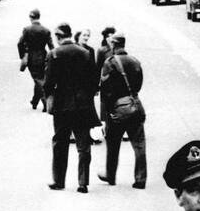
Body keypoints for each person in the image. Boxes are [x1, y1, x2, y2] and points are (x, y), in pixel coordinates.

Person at [43, 22, 98, 192]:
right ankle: (83, 182)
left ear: (59, 37)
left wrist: (50, 97)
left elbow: (48, 83)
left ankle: (59, 181)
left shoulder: (54, 54)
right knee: (83, 145)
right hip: (83, 105)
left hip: (62, 105)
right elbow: (94, 80)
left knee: (60, 143)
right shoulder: (85, 53)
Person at [97, 34, 147, 188]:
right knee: (139, 144)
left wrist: (108, 110)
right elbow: (139, 83)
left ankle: (111, 176)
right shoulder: (135, 61)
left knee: (113, 144)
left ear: (113, 44)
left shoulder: (110, 62)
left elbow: (105, 89)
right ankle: (140, 179)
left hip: (117, 108)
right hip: (134, 105)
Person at [17, 7, 53, 111]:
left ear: (31, 17)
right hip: (43, 56)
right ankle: (34, 101)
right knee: (39, 79)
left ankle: (45, 102)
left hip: (31, 58)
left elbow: (20, 43)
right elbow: (51, 46)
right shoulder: (46, 30)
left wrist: (22, 55)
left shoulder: (27, 30)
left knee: (38, 79)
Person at [75, 29, 105, 144]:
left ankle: (89, 136)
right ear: (78, 36)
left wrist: (95, 86)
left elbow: (93, 69)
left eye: (88, 35)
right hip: (77, 86)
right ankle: (83, 136)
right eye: (84, 35)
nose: (86, 37)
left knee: (89, 110)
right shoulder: (74, 49)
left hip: (87, 86)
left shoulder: (90, 50)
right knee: (82, 111)